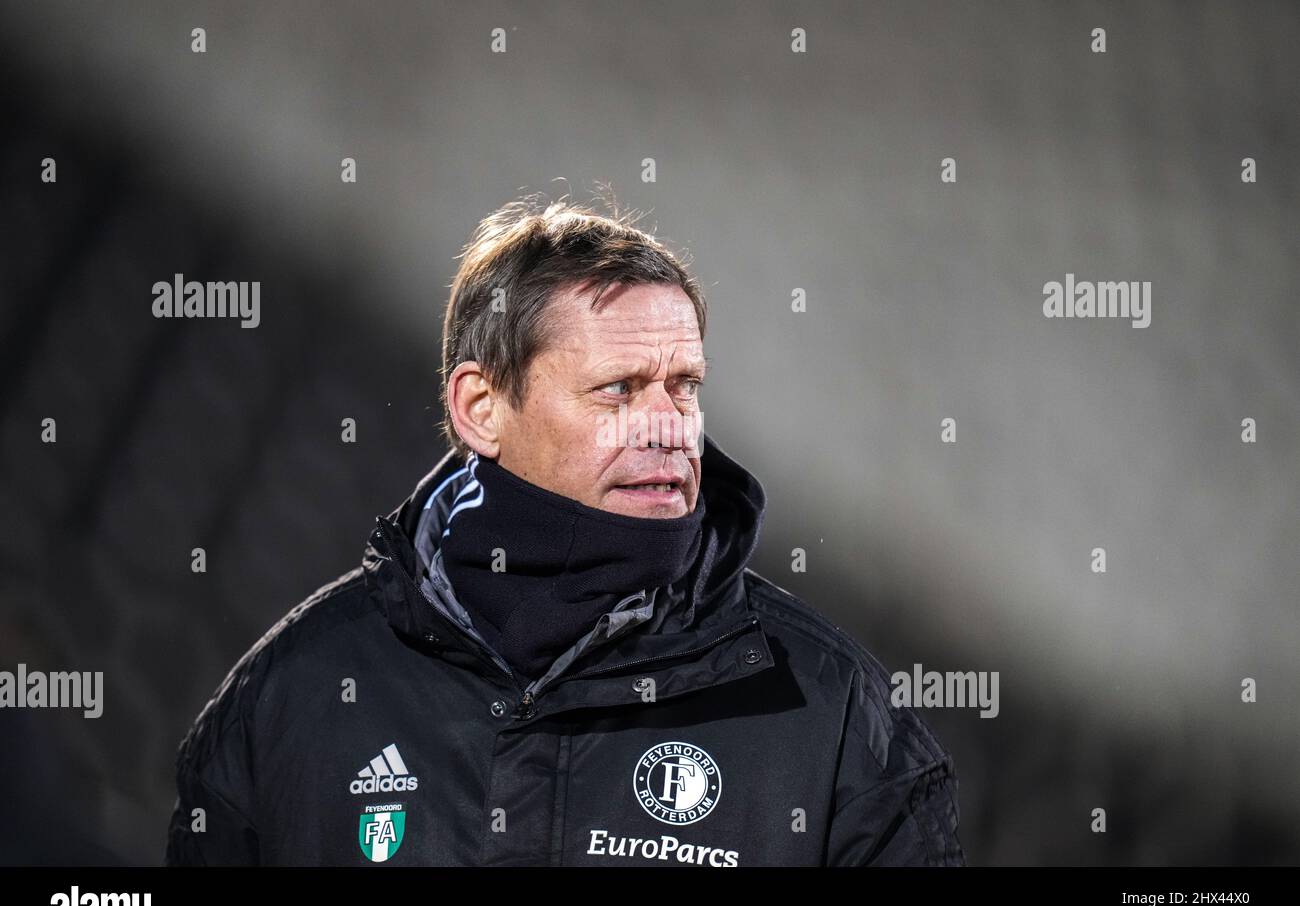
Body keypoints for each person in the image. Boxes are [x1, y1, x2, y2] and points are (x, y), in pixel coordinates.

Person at [164, 195, 966, 866]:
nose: (668, 429)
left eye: (683, 387)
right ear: (480, 408)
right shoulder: (293, 693)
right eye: (618, 389)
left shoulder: (829, 712)